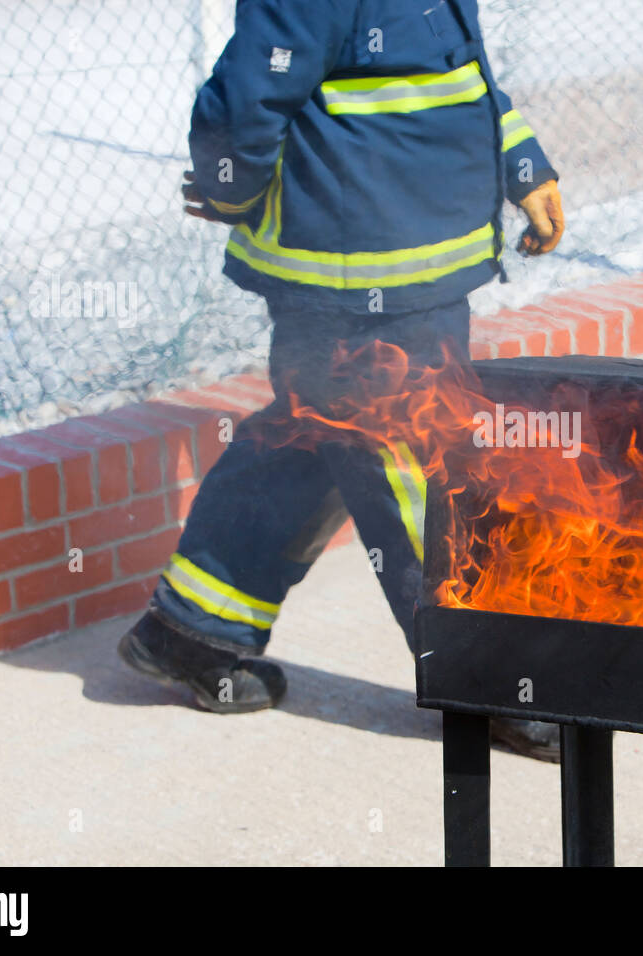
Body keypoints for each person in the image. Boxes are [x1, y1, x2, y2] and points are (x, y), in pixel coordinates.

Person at [117, 0, 565, 762]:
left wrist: (522, 164)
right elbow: (252, 90)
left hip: (410, 273)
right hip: (357, 286)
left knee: (311, 437)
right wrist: (229, 186)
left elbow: (455, 74)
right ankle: (485, 677)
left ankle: (191, 630)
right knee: (419, 462)